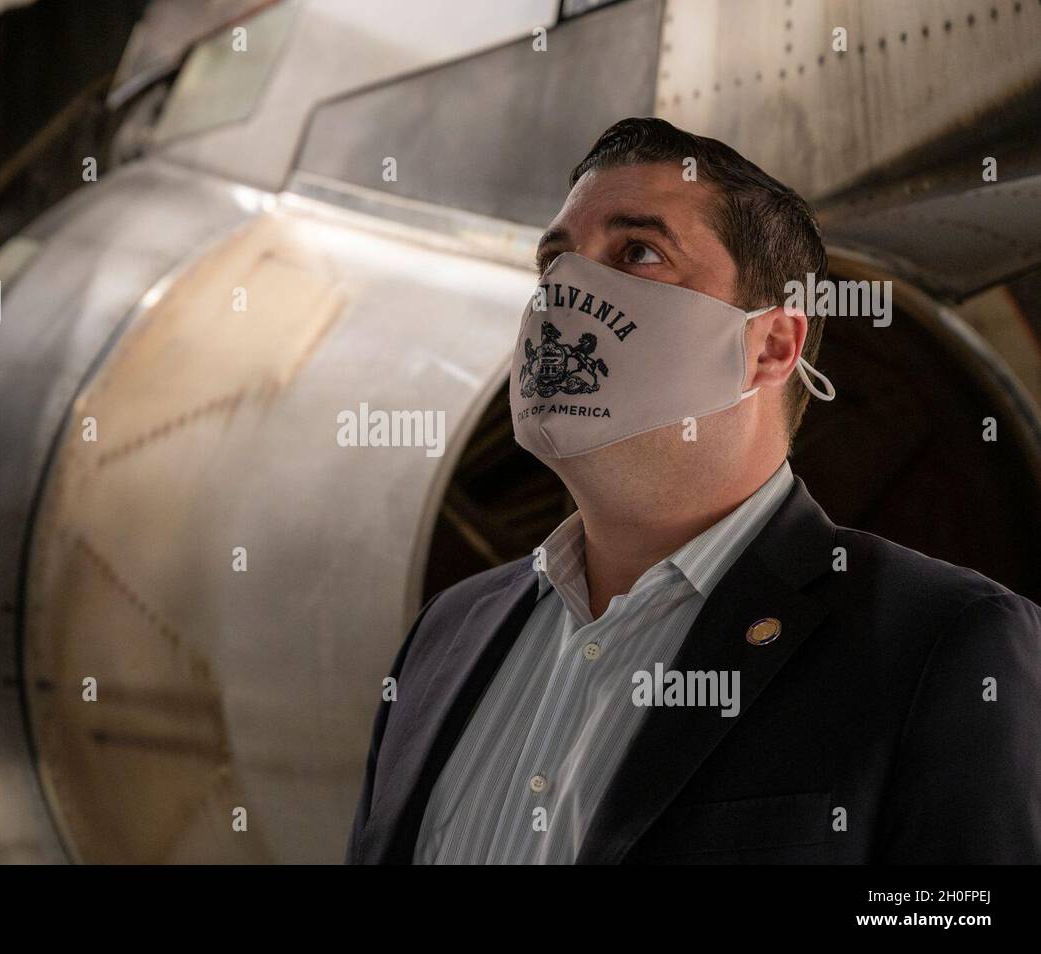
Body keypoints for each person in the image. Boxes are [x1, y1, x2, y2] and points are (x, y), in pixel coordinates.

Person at [346, 117, 1041, 864]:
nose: (565, 296)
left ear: (773, 345)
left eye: (638, 252)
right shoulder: (446, 636)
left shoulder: (942, 642)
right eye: (554, 266)